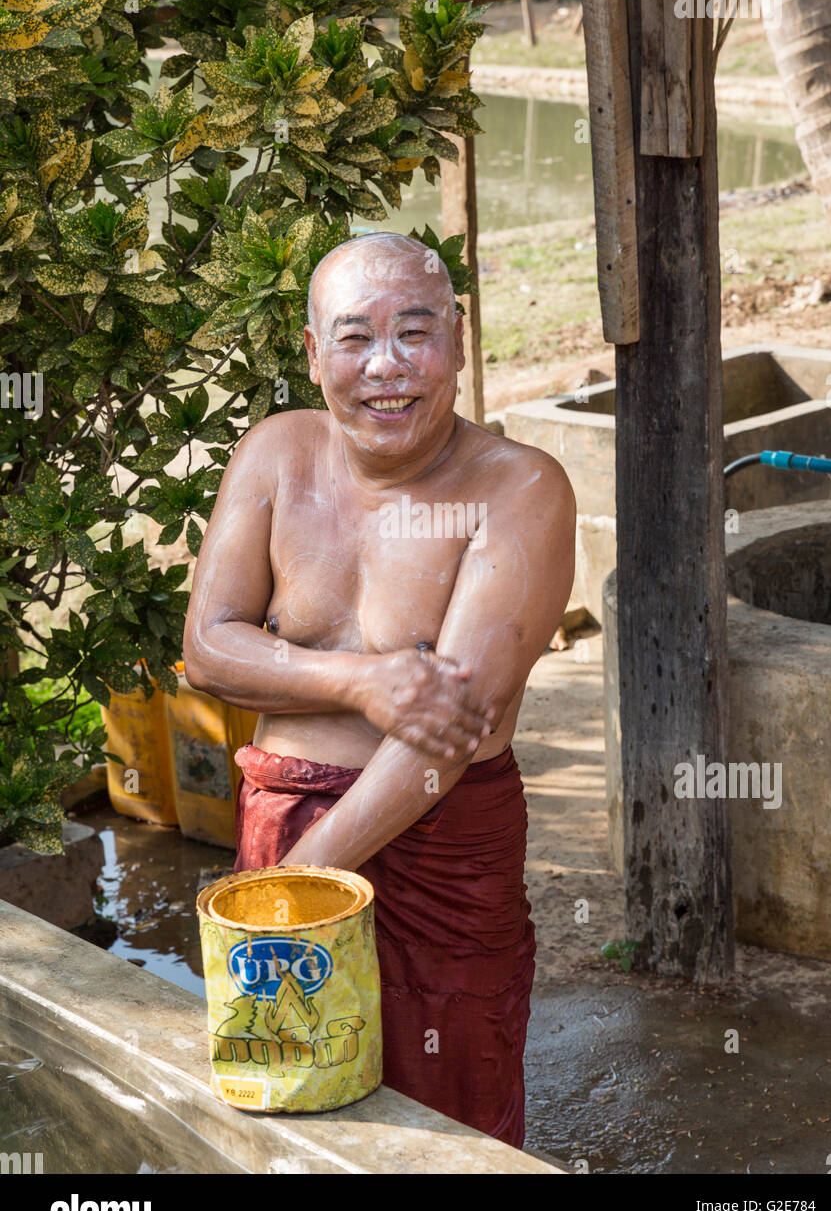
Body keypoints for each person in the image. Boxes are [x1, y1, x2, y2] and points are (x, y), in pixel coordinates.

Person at [183, 231, 575, 1147]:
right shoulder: (278, 456)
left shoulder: (519, 488)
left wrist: (301, 881)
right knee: (286, 1090)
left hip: (440, 843)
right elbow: (207, 646)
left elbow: (451, 728)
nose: (387, 367)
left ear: (460, 340)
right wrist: (364, 682)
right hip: (282, 819)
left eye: (415, 332)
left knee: (447, 1116)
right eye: (355, 338)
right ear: (313, 351)